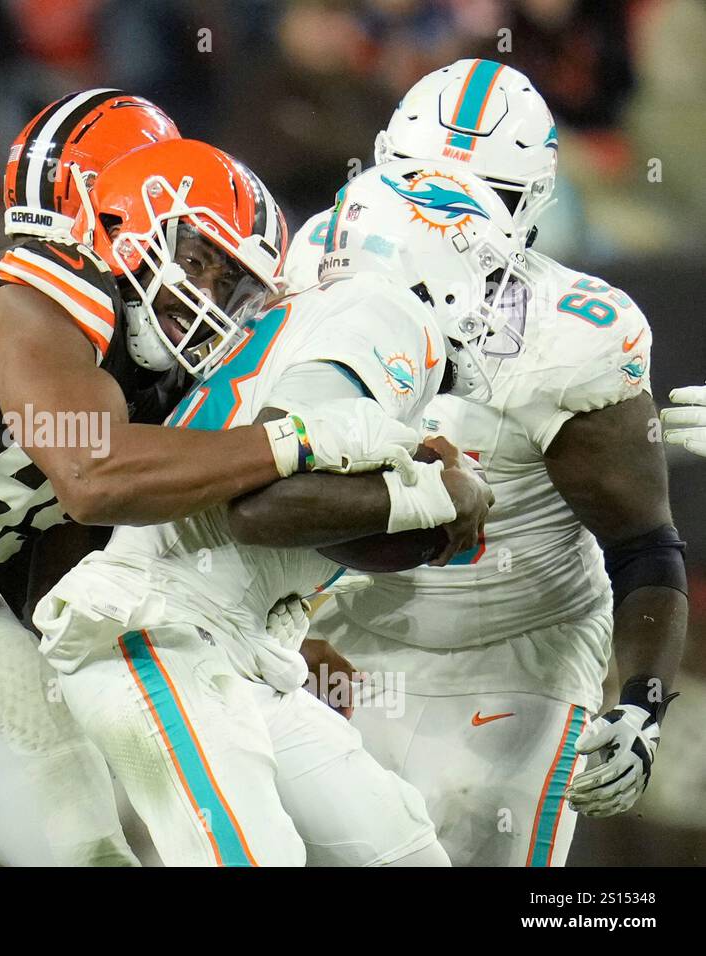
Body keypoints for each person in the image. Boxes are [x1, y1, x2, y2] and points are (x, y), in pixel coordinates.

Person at [0, 138, 407, 864]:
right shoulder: (28, 310)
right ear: (121, 228)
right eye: (198, 260)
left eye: (233, 285)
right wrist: (297, 440)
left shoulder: (130, 363)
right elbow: (94, 476)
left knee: (89, 852)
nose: (210, 299)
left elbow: (70, 545)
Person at [33, 159, 510, 866]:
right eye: (492, 276)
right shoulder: (384, 311)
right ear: (432, 252)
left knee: (404, 852)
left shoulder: (327, 317)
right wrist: (433, 498)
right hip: (160, 626)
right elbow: (266, 505)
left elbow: (324, 521)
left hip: (239, 646)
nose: (500, 303)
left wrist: (428, 526)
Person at [287, 59, 688, 866]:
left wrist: (643, 702)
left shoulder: (571, 333)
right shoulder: (313, 263)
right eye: (421, 189)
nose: (447, 223)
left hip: (518, 653)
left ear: (531, 206)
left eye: (483, 201)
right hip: (351, 636)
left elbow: (645, 544)